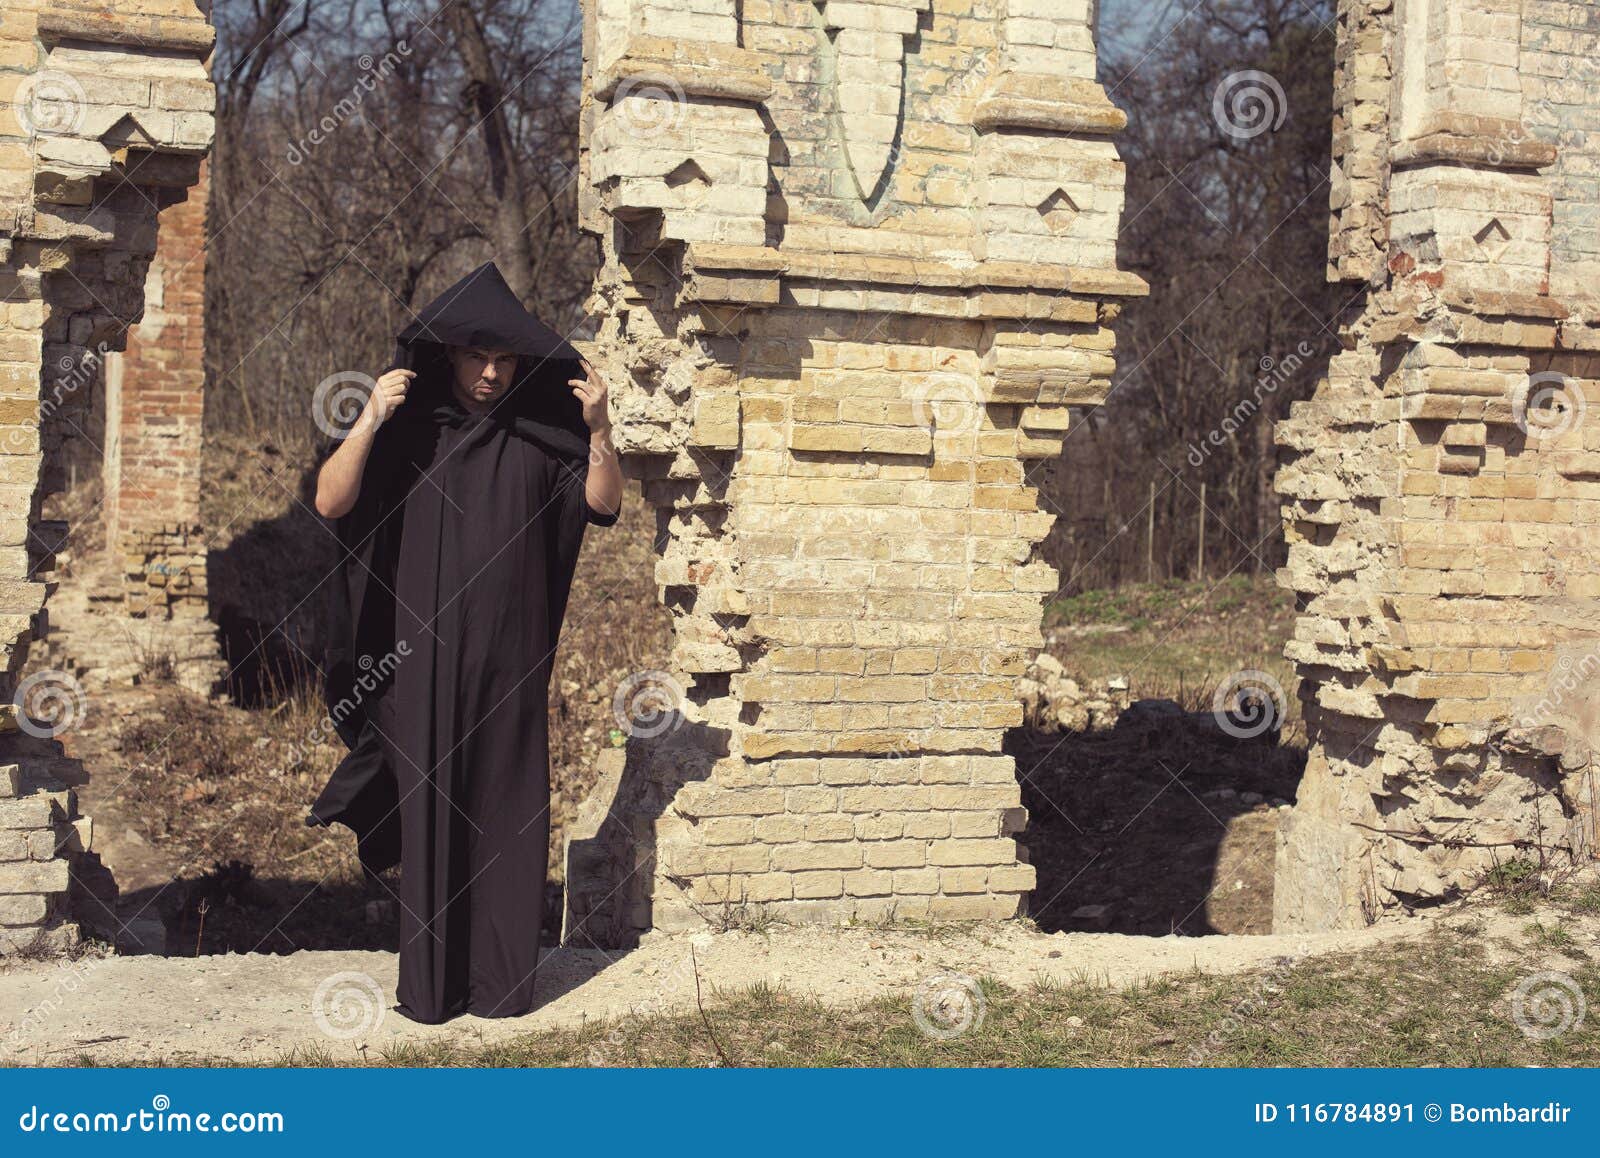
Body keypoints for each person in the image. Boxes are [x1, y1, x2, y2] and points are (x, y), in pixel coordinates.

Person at [305, 261, 621, 1024]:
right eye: (476, 357)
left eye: (503, 359)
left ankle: (504, 988)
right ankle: (434, 990)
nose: (489, 372)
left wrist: (602, 430)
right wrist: (369, 417)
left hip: (511, 666)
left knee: (508, 817)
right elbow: (330, 499)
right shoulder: (411, 437)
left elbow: (603, 505)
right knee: (434, 819)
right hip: (420, 666)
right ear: (447, 355)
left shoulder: (540, 440)